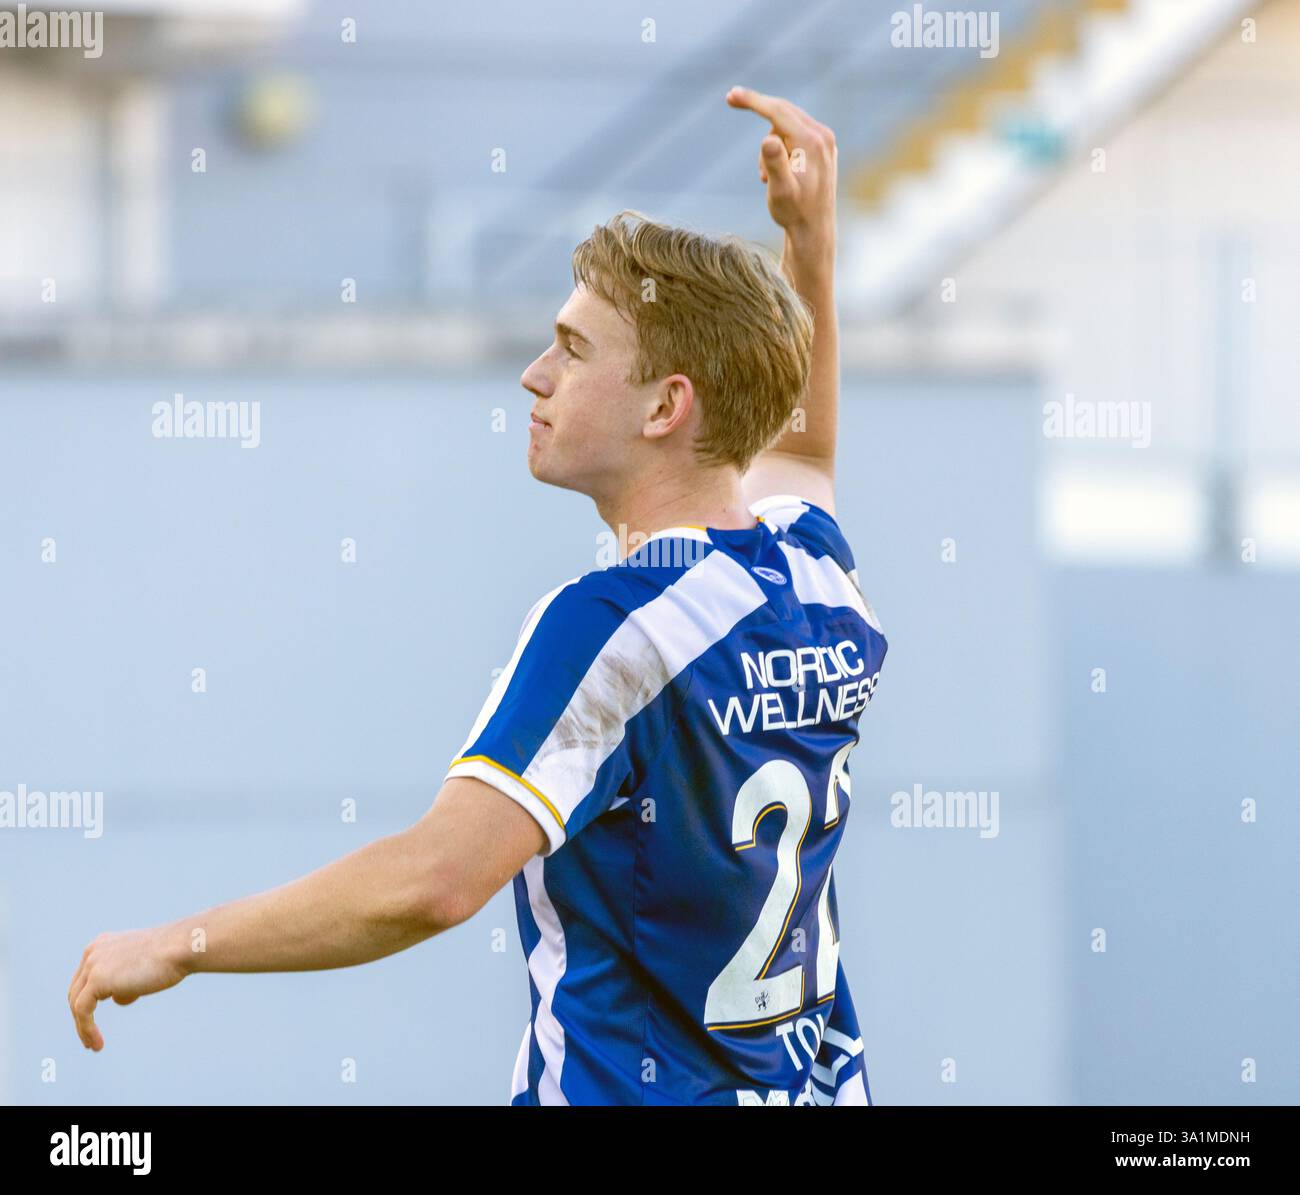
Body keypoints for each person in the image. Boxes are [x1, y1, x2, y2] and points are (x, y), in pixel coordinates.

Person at [67, 86, 887, 1106]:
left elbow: (433, 882)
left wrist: (180, 944)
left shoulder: (614, 627)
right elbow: (803, 444)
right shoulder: (817, 573)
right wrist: (810, 239)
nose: (533, 376)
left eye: (574, 349)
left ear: (667, 406)